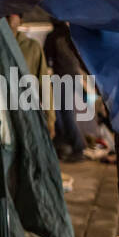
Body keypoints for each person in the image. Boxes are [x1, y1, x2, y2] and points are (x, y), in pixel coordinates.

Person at [44, 20, 88, 162]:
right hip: (73, 76)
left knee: (63, 114)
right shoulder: (70, 34)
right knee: (63, 113)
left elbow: (46, 59)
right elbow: (80, 57)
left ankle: (77, 147)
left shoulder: (53, 36)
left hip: (61, 78)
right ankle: (66, 146)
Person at [7, 13, 54, 140]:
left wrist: (50, 118)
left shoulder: (32, 47)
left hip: (27, 114)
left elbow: (44, 82)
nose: (7, 18)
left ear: (20, 20)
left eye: (11, 14)